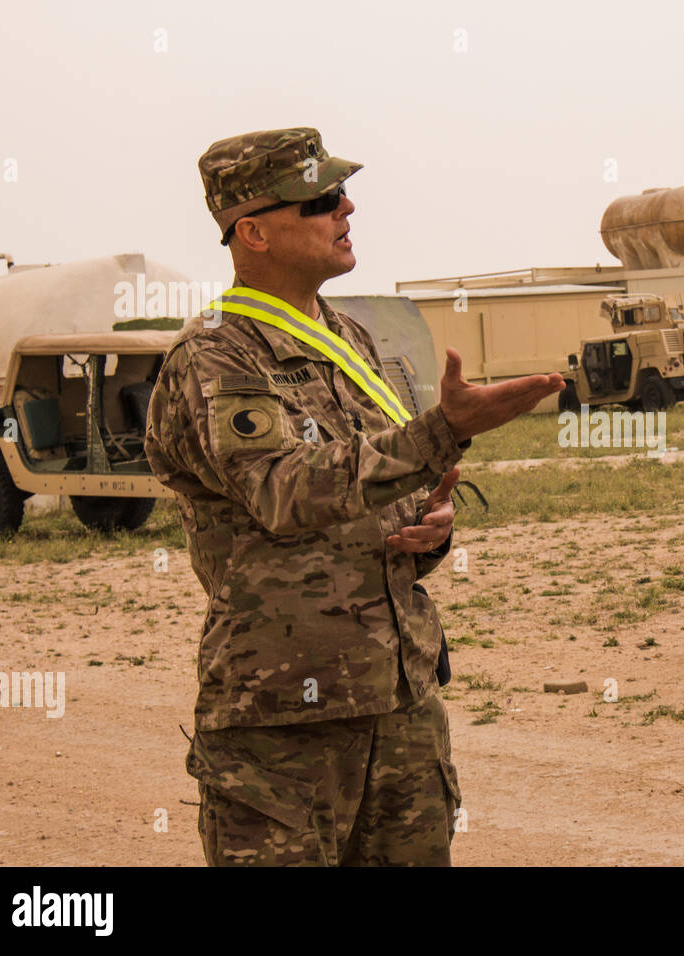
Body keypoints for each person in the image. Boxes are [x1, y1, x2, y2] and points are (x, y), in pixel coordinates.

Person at [145, 127, 563, 865]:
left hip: (397, 702)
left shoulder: (352, 341)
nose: (348, 208)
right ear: (253, 231)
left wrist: (429, 527)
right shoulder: (216, 354)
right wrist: (442, 432)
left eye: (341, 193)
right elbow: (283, 491)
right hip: (283, 721)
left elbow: (379, 491)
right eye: (322, 199)